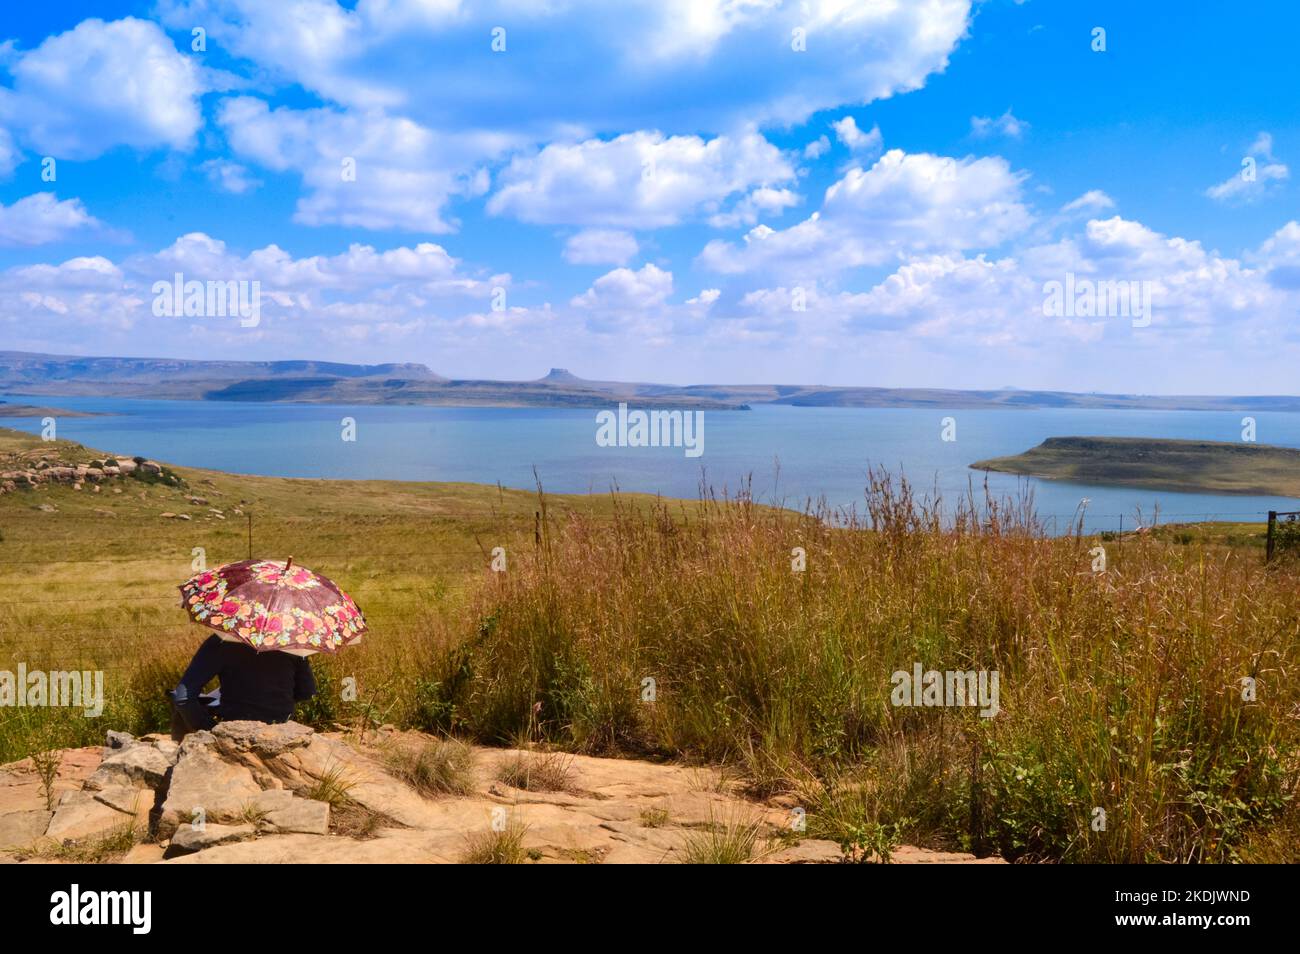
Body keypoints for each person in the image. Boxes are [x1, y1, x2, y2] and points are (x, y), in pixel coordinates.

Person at [170, 634, 317, 740]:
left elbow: (182, 698)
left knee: (181, 716)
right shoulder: (292, 642)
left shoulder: (221, 641)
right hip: (282, 727)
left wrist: (210, 729)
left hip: (233, 727)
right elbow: (307, 692)